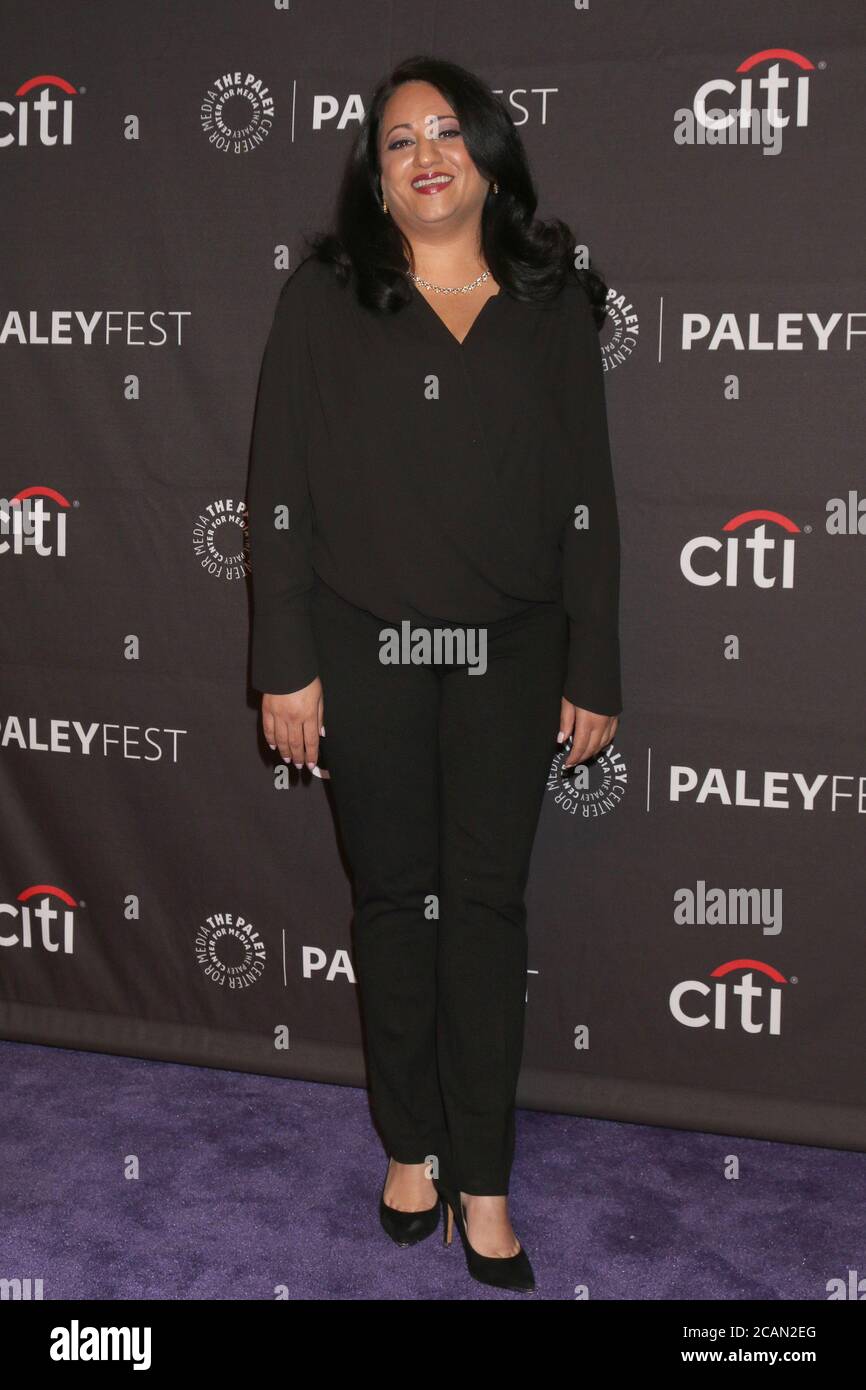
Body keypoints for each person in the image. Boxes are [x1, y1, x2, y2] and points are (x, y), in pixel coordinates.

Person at [246, 54, 622, 1294]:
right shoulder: (323, 299)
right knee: (393, 901)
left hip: (509, 650)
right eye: (399, 138)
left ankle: (485, 1174)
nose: (424, 154)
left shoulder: (551, 301)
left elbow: (587, 498)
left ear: (489, 158)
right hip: (365, 646)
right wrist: (285, 663)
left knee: (485, 908)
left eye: (447, 132)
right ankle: (410, 1145)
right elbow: (278, 491)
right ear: (375, 173)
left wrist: (593, 656)